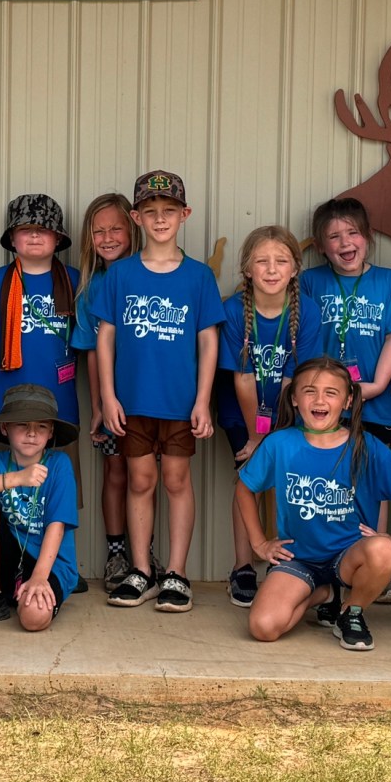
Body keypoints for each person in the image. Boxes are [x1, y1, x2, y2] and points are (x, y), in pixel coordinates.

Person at [233, 358, 391, 652]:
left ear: (348, 400)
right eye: (309, 391)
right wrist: (259, 543)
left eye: (331, 393)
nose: (320, 400)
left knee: (383, 550)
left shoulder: (364, 445)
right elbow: (245, 488)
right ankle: (323, 594)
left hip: (348, 556)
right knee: (263, 627)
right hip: (298, 558)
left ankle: (351, 611)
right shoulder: (279, 444)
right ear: (295, 399)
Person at [97, 170, 223, 613]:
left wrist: (203, 400)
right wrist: (108, 397)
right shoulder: (121, 275)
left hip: (179, 402)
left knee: (175, 480)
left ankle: (176, 572)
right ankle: (140, 571)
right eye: (150, 212)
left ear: (184, 214)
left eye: (169, 211)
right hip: (132, 401)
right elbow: (105, 338)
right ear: (136, 217)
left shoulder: (198, 277)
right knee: (140, 480)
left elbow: (209, 342)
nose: (160, 219)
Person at [296, 195, 391, 608]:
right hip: (323, 404)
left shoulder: (389, 282)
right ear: (320, 244)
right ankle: (326, 565)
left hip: (373, 401)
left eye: (352, 233)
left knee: (371, 485)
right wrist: (326, 394)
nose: (345, 243)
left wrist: (377, 384)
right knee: (327, 483)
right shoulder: (312, 282)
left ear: (367, 237)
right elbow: (305, 339)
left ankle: (376, 569)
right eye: (333, 236)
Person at [0, 385, 80, 632]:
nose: (32, 433)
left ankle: (33, 591)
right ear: (4, 427)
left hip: (48, 562)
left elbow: (57, 526)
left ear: (51, 432)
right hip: (9, 558)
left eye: (41, 426)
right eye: (22, 425)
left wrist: (40, 576)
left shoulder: (59, 465)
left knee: (33, 618)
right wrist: (17, 478)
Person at [216, 225, 301, 608]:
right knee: (248, 479)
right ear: (247, 269)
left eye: (281, 261)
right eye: (261, 261)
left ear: (295, 268)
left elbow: (291, 379)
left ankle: (286, 564)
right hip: (241, 411)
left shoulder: (307, 312)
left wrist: (272, 435)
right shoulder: (235, 311)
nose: (271, 269)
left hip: (289, 410)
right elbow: (244, 379)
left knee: (287, 482)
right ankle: (243, 565)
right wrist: (255, 438)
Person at [0, 192, 83, 460]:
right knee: (9, 481)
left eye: (43, 229)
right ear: (12, 238)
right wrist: (8, 361)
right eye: (25, 229)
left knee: (59, 477)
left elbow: (87, 336)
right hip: (10, 402)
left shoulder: (74, 280)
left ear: (58, 238)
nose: (35, 235)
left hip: (60, 402)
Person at [70, 191, 141, 589]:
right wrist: (97, 405)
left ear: (133, 230)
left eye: (116, 228)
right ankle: (117, 553)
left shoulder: (148, 275)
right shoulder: (91, 286)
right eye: (99, 231)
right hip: (113, 401)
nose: (108, 237)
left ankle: (142, 551)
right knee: (116, 472)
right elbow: (93, 355)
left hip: (150, 398)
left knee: (144, 476)